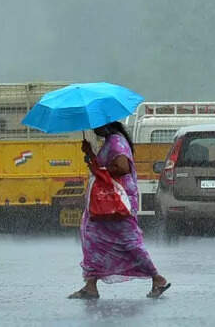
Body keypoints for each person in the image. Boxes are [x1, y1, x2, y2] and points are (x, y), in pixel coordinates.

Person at [68, 121, 171, 300]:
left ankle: (157, 278)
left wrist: (99, 169)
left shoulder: (116, 142)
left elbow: (121, 168)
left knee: (129, 242)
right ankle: (90, 285)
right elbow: (102, 167)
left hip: (117, 201)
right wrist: (90, 154)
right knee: (92, 237)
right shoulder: (111, 141)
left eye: (97, 126)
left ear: (107, 126)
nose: (95, 130)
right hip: (106, 200)